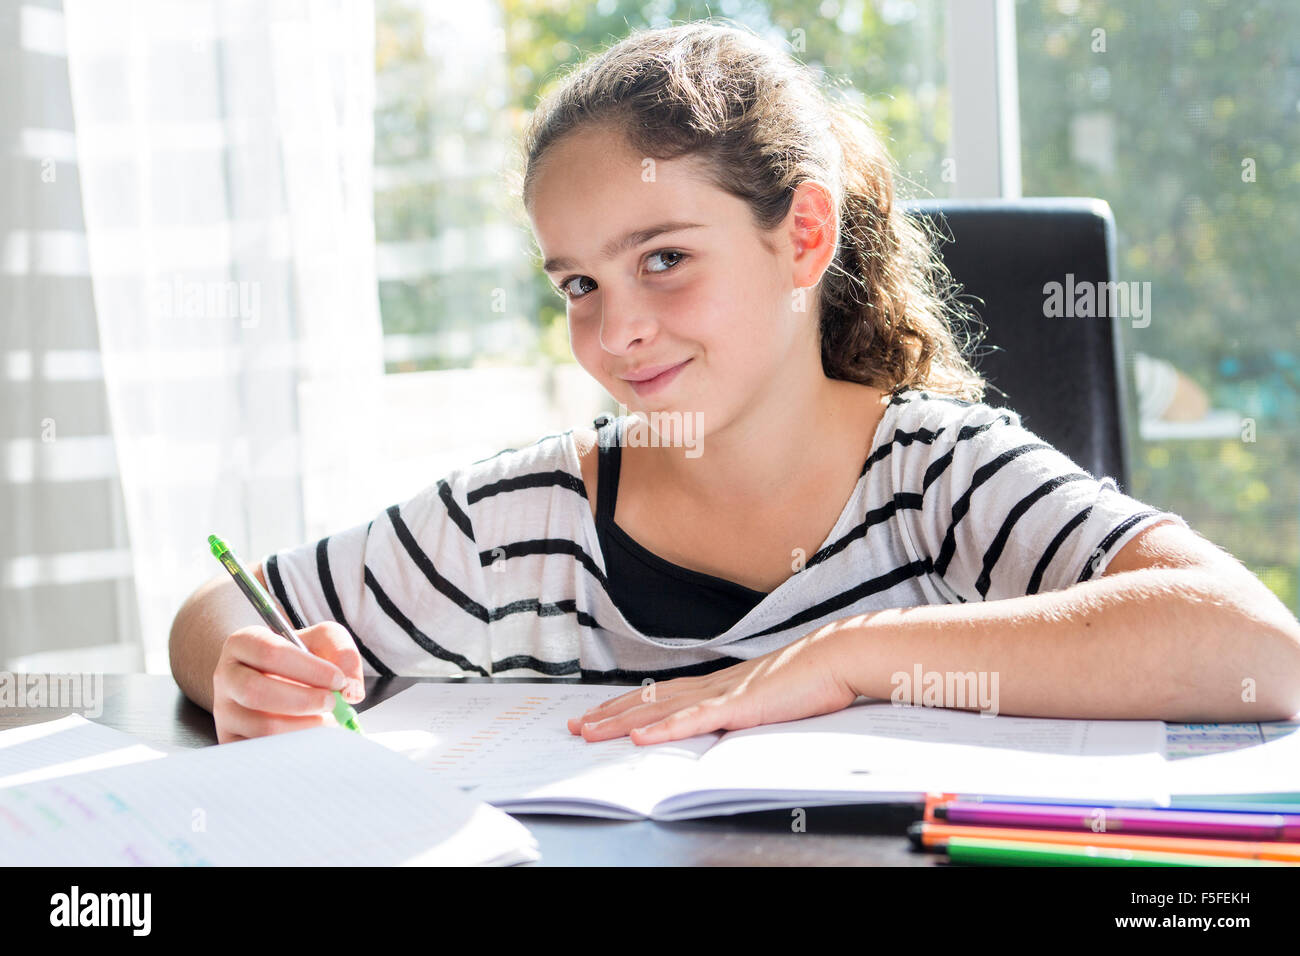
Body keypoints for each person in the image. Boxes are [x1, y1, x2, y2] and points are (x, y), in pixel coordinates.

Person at [169, 21, 1300, 747]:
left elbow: (1255, 645)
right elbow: (222, 606)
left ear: (801, 237)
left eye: (664, 258)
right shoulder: (531, 515)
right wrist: (245, 664)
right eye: (577, 282)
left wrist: (841, 659)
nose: (617, 330)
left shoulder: (938, 475)